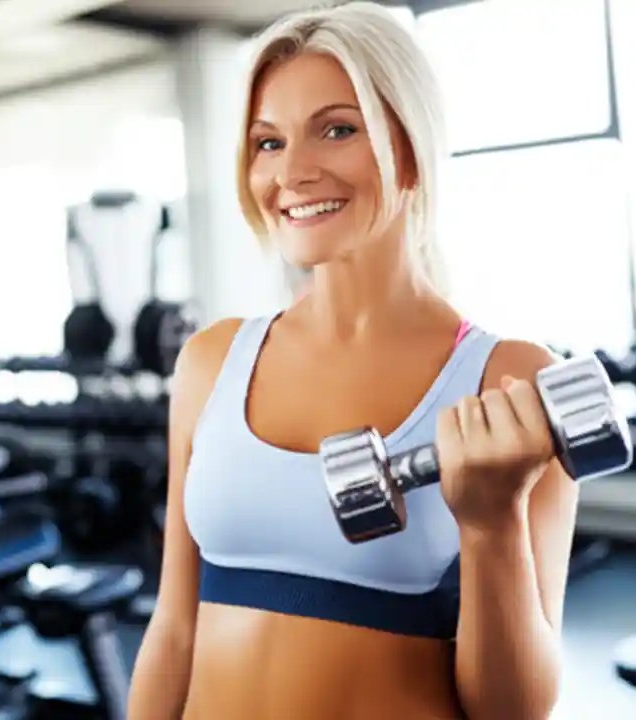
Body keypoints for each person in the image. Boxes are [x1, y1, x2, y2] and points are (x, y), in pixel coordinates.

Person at [127, 3, 580, 719]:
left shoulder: (512, 383)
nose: (293, 173)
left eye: (337, 129)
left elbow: (510, 712)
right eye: (268, 143)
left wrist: (491, 523)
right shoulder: (210, 362)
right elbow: (175, 629)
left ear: (411, 146)